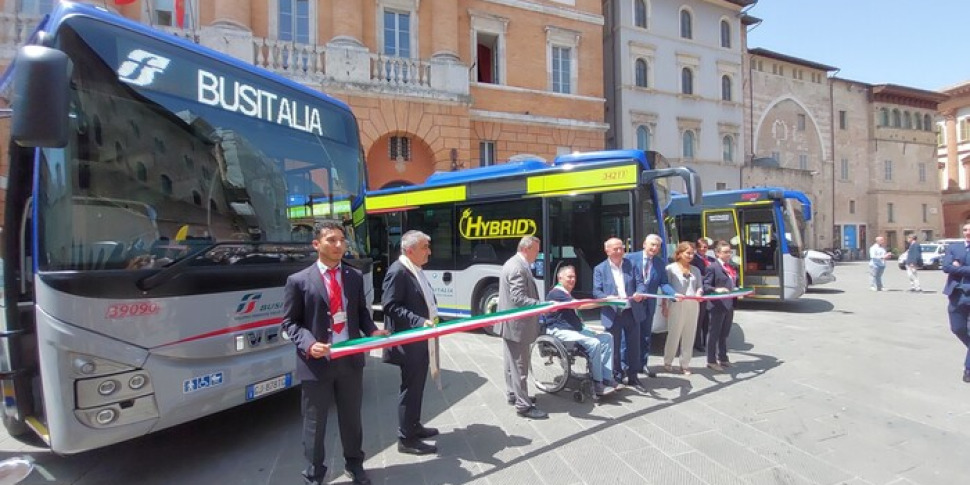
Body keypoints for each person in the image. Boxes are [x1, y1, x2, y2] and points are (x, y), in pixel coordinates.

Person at [281, 221, 390, 485]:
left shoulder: (353, 277)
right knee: (315, 423)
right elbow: (289, 323)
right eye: (331, 240)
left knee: (352, 419)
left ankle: (355, 465)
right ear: (316, 244)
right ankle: (314, 473)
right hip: (316, 363)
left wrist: (372, 331)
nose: (339, 245)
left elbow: (361, 313)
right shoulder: (298, 281)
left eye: (342, 240)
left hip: (350, 362)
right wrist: (308, 344)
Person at [381, 230, 439, 455]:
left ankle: (414, 426)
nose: (429, 251)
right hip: (409, 342)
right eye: (425, 247)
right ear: (410, 250)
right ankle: (406, 439)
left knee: (417, 388)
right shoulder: (398, 272)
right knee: (410, 389)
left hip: (422, 339)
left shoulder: (416, 270)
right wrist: (418, 320)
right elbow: (389, 305)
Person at [543, 265, 619, 396]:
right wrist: (604, 301)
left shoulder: (566, 293)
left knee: (607, 337)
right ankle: (598, 382)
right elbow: (580, 305)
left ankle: (607, 377)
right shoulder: (556, 293)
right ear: (560, 278)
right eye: (569, 277)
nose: (573, 279)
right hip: (559, 330)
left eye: (574, 277)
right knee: (593, 343)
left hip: (573, 329)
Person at [497, 236, 548, 419]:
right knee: (520, 366)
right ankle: (524, 406)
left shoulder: (512, 263)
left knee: (511, 364)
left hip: (510, 325)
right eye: (536, 250)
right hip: (517, 326)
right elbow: (518, 298)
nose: (538, 253)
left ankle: (513, 394)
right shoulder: (518, 267)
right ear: (526, 249)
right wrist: (539, 305)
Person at [593, 237, 648, 392]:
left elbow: (641, 284)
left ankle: (633, 377)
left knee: (634, 346)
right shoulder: (600, 269)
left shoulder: (631, 265)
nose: (619, 251)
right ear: (607, 250)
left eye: (621, 248)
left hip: (631, 312)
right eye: (615, 249)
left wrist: (640, 292)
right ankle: (616, 376)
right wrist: (607, 298)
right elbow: (596, 291)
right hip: (613, 313)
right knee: (614, 347)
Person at [626, 234, 676, 377]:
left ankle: (643, 364)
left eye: (658, 246)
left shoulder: (660, 263)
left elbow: (664, 283)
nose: (655, 248)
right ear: (644, 244)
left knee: (646, 335)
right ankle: (626, 366)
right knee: (629, 335)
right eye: (652, 244)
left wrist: (674, 294)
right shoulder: (630, 258)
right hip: (632, 304)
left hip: (649, 304)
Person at [662, 242, 703, 375]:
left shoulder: (696, 270)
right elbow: (665, 288)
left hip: (693, 304)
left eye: (692, 253)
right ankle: (668, 361)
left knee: (689, 334)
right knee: (674, 332)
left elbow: (699, 286)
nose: (691, 256)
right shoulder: (670, 269)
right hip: (676, 304)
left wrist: (699, 293)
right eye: (688, 253)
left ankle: (685, 364)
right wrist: (664, 306)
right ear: (679, 254)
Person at [703, 241, 740, 372]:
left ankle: (723, 358)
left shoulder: (731, 267)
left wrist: (737, 290)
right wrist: (716, 289)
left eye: (729, 251)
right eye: (725, 252)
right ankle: (711, 361)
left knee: (724, 333)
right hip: (717, 305)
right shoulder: (712, 267)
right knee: (714, 333)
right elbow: (705, 286)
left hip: (729, 304)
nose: (728, 254)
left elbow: (732, 282)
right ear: (717, 253)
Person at [942, 222, 970, 383]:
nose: (967, 233)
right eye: (965, 230)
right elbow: (946, 267)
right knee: (957, 328)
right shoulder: (954, 247)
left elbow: (953, 268)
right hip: (957, 294)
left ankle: (968, 369)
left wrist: (958, 267)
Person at [691, 237, 715, 352]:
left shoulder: (711, 259)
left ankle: (706, 341)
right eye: (700, 247)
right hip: (701, 291)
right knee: (699, 319)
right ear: (696, 248)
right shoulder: (693, 260)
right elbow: (696, 275)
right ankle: (697, 343)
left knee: (708, 319)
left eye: (705, 247)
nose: (703, 249)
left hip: (711, 292)